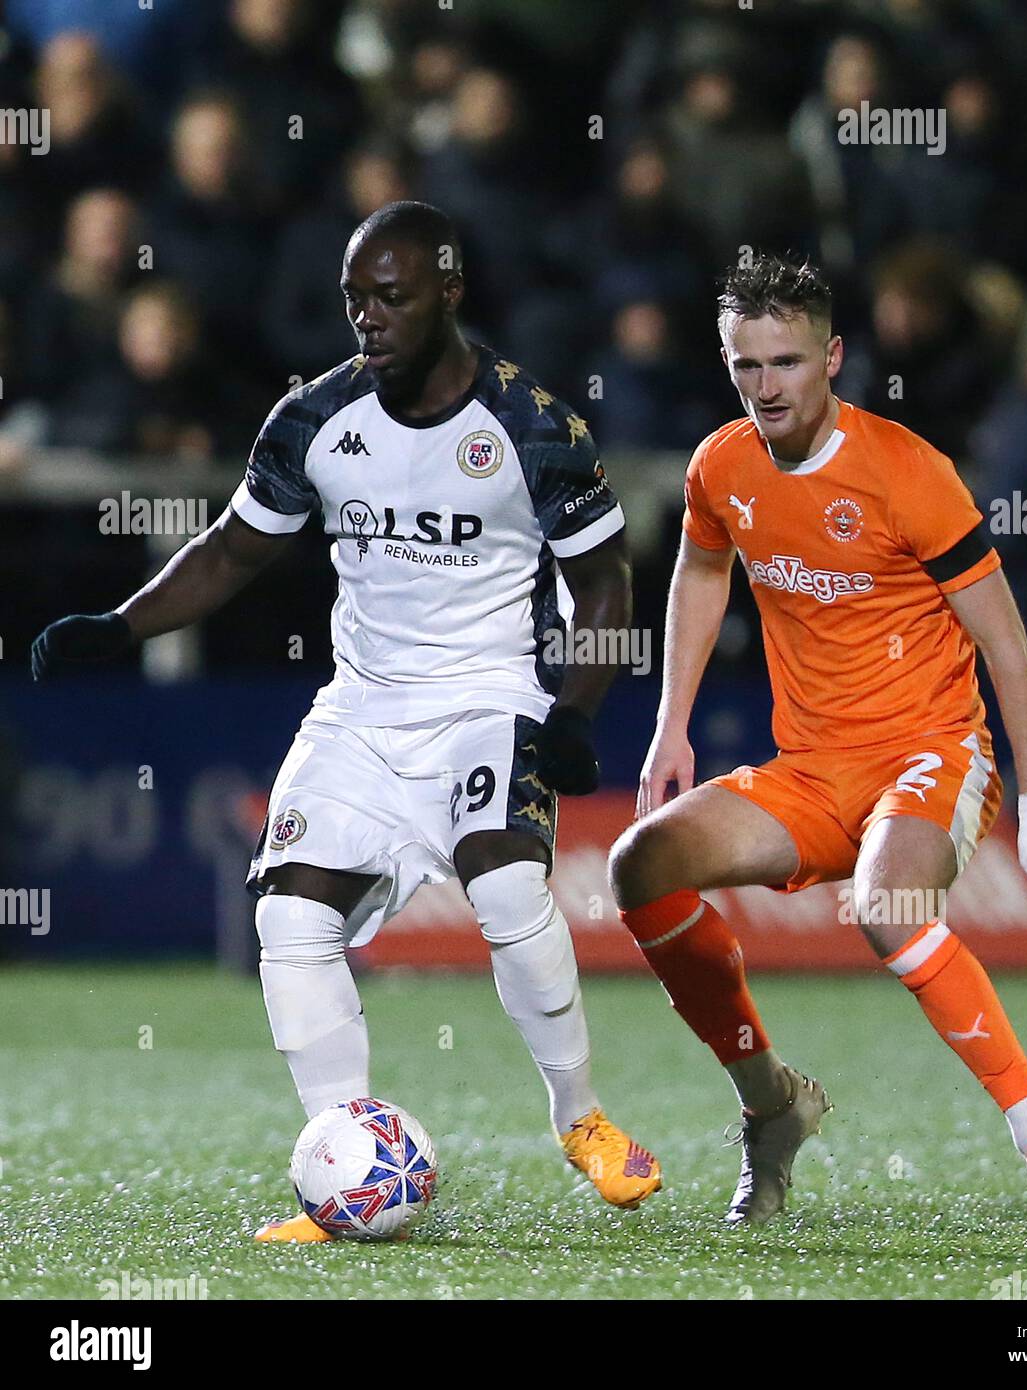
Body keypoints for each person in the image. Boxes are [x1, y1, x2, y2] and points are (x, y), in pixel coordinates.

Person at [32, 200, 661, 1240]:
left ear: (448, 294)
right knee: (288, 919)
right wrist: (122, 624)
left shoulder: (533, 426)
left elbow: (602, 579)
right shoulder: (314, 418)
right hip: (359, 713)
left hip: (487, 699)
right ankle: (346, 1161)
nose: (366, 318)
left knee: (506, 878)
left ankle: (580, 1117)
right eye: (353, 299)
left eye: (391, 296)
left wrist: (572, 707)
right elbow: (234, 547)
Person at [608, 253, 1027, 1231]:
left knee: (887, 903)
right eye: (743, 365)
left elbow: (1007, 650)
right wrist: (670, 724)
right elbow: (699, 572)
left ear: (831, 357)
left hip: (932, 750)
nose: (763, 387)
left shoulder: (907, 472)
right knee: (641, 865)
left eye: (784, 362)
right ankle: (771, 1104)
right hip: (812, 770)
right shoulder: (721, 465)